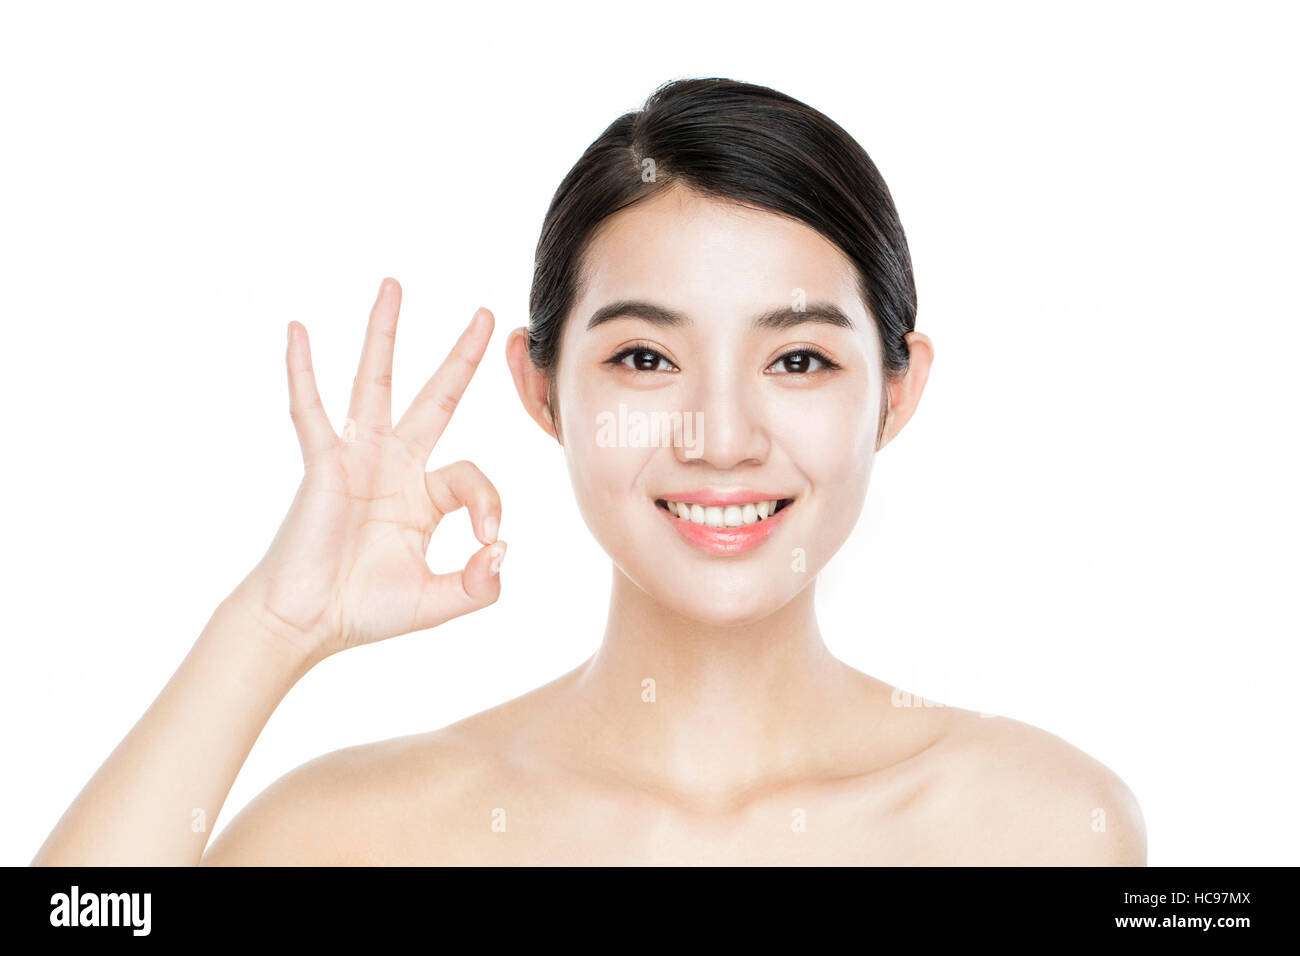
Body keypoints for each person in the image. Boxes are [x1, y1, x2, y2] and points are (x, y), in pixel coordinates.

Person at [32, 77, 1145, 866]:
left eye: (797, 357)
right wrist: (270, 628)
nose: (721, 435)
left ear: (896, 393)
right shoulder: (354, 833)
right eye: (646, 356)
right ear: (542, 388)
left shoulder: (1041, 822)